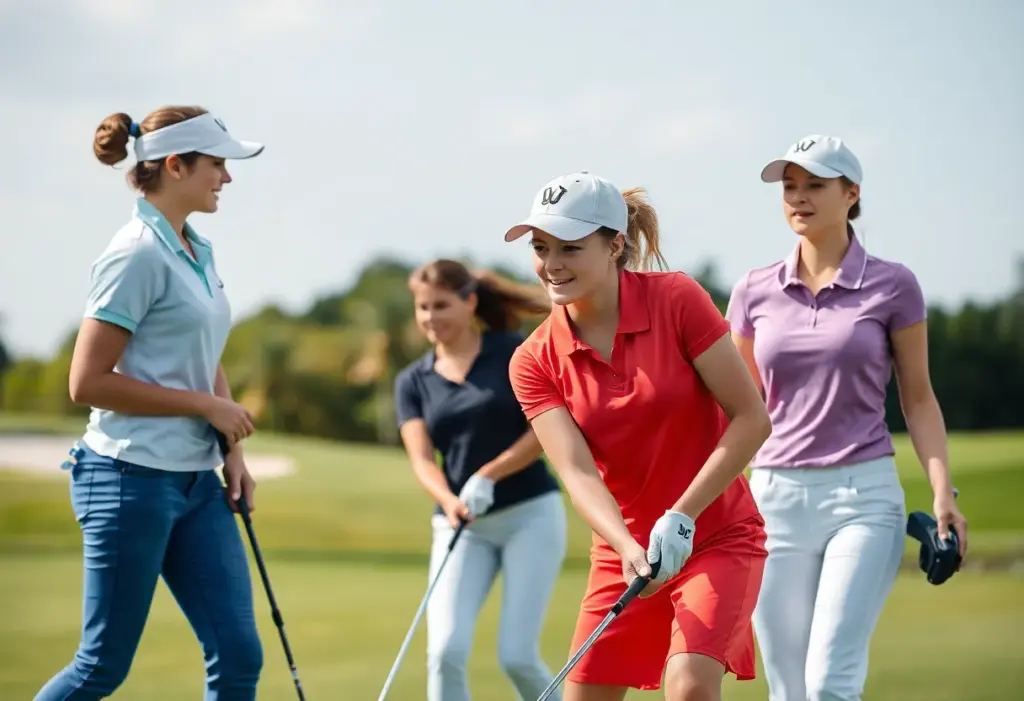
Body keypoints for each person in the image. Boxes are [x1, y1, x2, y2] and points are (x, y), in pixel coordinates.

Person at [504, 172, 773, 701]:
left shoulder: (676, 299)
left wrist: (681, 516)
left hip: (715, 535)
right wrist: (627, 545)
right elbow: (577, 471)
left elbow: (751, 418)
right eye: (540, 247)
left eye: (570, 248)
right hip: (622, 550)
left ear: (615, 246)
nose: (551, 264)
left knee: (690, 686)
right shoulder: (533, 359)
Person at [34, 106, 266, 701]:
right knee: (101, 668)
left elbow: (203, 351)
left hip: (196, 482)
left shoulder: (196, 249)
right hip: (126, 478)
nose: (227, 177)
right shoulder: (136, 253)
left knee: (240, 656)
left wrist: (230, 448)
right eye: (216, 164)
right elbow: (87, 381)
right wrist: (205, 408)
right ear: (175, 165)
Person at [725, 135, 969, 701]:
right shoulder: (752, 290)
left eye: (815, 185)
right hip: (773, 501)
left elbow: (919, 399)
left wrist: (943, 494)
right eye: (789, 186)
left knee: (829, 681)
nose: (798, 197)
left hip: (862, 499)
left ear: (851, 193)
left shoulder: (893, 284)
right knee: (786, 688)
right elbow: (737, 406)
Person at [394, 259, 568, 701]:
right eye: (423, 307)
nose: (431, 318)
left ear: (470, 302)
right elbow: (421, 458)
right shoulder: (412, 381)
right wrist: (448, 500)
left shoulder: (514, 352)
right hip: (461, 525)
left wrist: (490, 474)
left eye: (442, 305)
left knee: (517, 655)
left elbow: (546, 429)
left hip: (529, 516)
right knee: (444, 652)